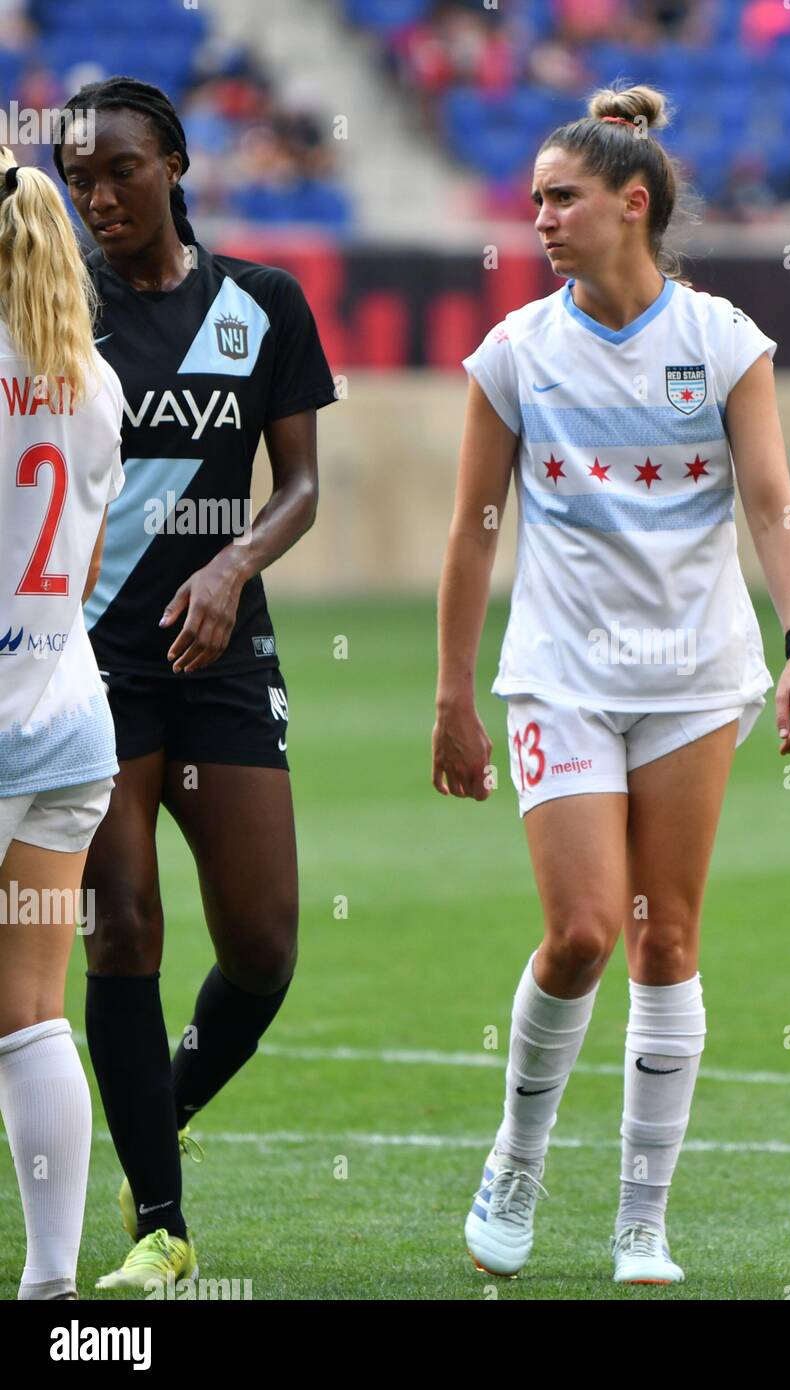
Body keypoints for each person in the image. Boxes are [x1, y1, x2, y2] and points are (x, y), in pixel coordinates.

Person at [433, 84, 790, 1285]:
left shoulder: (721, 340)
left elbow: (772, 505)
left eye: (563, 198)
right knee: (584, 933)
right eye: (535, 199)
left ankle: (640, 1220)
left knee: (667, 942)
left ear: (631, 204)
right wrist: (454, 693)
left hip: (697, 676)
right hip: (560, 675)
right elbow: (471, 530)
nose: (540, 218)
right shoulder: (515, 353)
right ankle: (518, 1152)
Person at [52, 77, 336, 1291]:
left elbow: (304, 486)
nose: (98, 196)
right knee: (121, 929)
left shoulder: (262, 302)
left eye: (118, 170)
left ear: (172, 161)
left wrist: (234, 562)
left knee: (264, 948)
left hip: (226, 666)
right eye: (78, 180)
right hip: (96, 666)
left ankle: (148, 1125)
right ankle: (162, 1228)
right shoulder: (57, 313)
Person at [0, 147, 125, 1299]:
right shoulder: (93, 381)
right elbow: (82, 572)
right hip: (68, 726)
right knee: (34, 1014)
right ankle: (50, 1289)